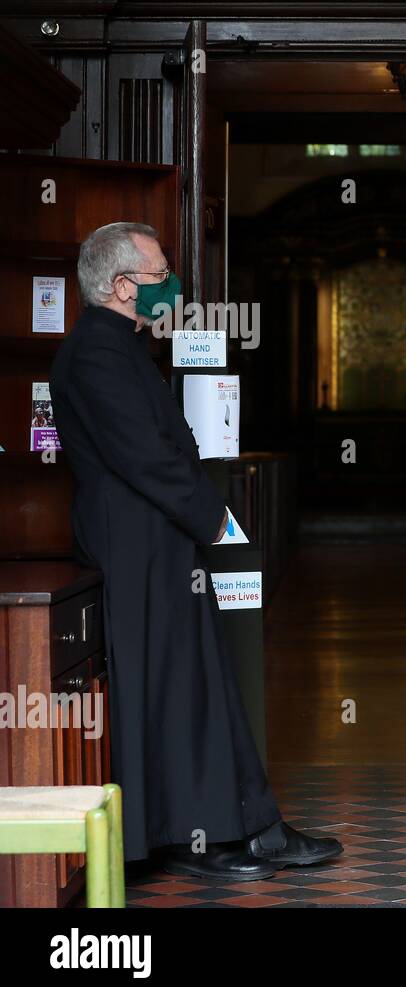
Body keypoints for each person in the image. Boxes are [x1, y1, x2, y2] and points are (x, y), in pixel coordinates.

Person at [49, 222, 342, 882]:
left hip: (153, 539)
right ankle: (211, 835)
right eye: (159, 275)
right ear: (122, 285)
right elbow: (148, 458)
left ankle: (233, 827)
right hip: (137, 542)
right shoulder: (97, 350)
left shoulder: (119, 345)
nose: (170, 287)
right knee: (174, 688)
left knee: (192, 685)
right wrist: (218, 523)